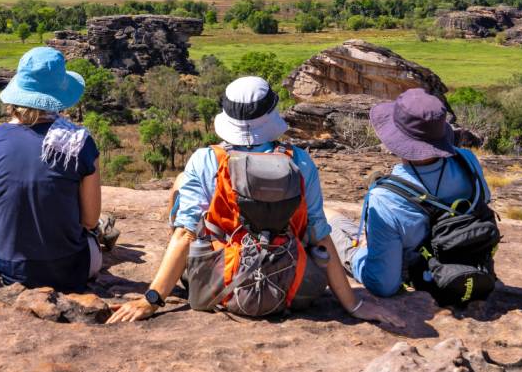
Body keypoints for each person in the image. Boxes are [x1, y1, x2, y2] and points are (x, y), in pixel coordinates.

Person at [108, 76, 402, 325]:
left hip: (219, 287)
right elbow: (320, 237)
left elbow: (185, 233)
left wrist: (152, 299)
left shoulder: (206, 159)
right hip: (295, 289)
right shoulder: (299, 161)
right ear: (271, 113)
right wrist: (353, 305)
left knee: (182, 186)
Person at [330, 87, 493, 298]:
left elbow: (384, 285)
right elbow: (484, 201)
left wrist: (364, 253)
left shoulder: (386, 198)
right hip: (468, 256)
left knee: (330, 224)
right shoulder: (467, 160)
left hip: (423, 273)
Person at [0, 46, 110, 293]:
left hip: (6, 267)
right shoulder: (79, 142)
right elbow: (90, 221)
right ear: (59, 96)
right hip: (67, 271)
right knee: (98, 229)